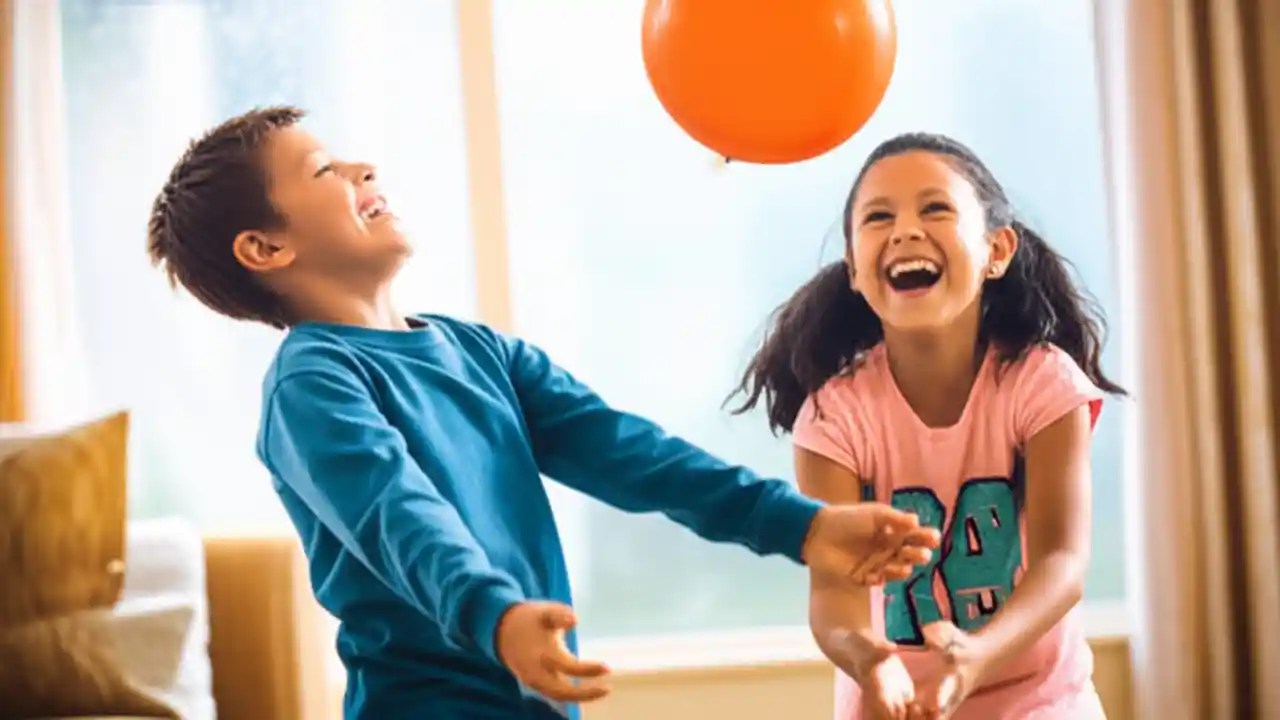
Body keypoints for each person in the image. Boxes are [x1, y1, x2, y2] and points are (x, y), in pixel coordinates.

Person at [145, 106, 940, 720]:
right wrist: (495, 616)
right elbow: (399, 513)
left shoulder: (479, 352)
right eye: (322, 170)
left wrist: (798, 525)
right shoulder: (311, 384)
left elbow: (628, 451)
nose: (361, 166)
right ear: (265, 250)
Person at [731, 132, 1127, 720]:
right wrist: (871, 661)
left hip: (1041, 702)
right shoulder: (834, 415)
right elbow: (834, 603)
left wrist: (975, 655)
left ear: (998, 250)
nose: (905, 230)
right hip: (892, 706)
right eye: (878, 216)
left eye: (935, 208)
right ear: (856, 272)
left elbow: (1062, 563)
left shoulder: (1042, 383)